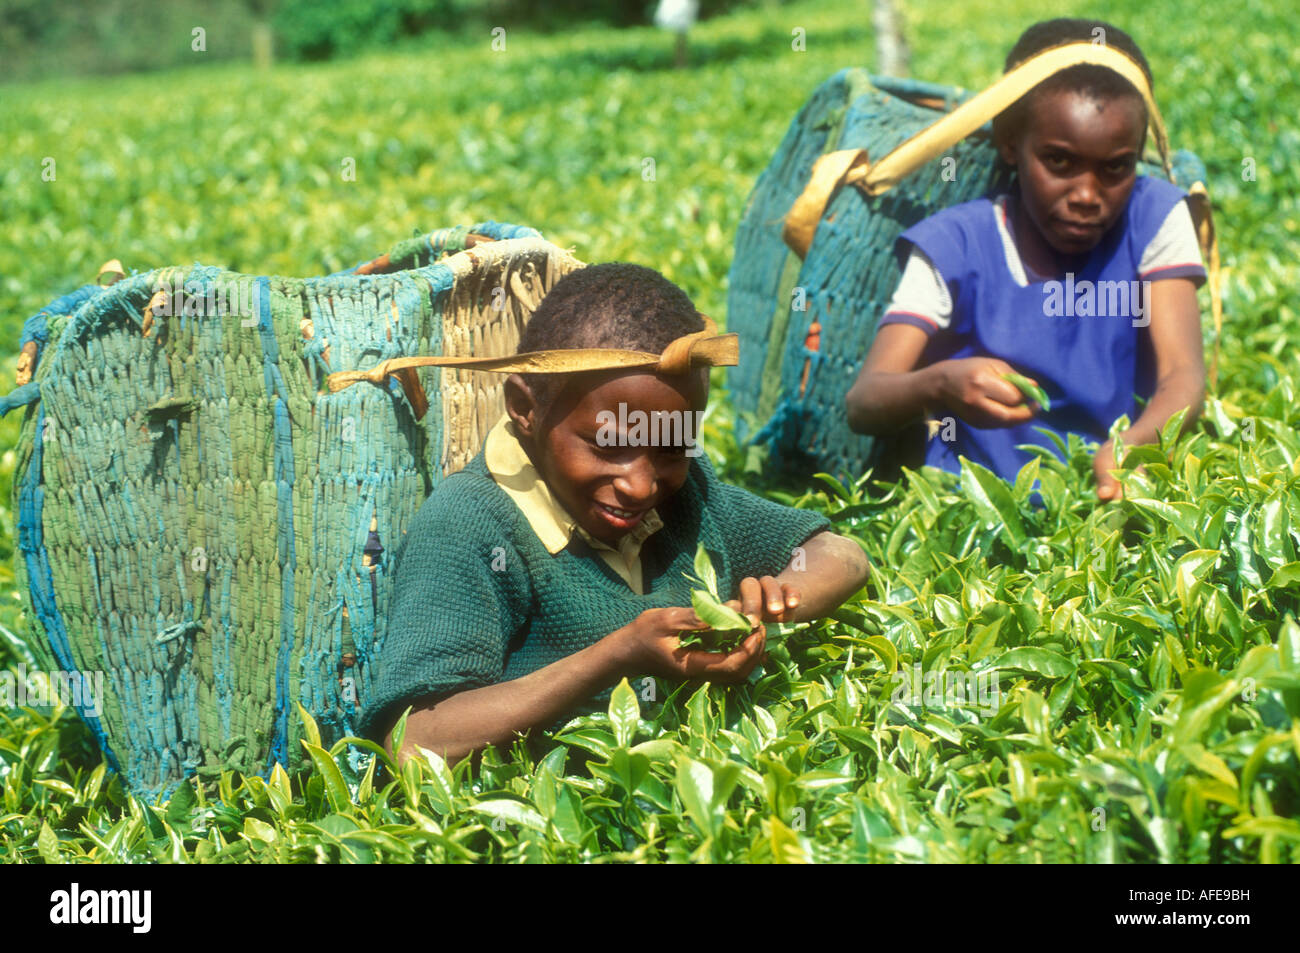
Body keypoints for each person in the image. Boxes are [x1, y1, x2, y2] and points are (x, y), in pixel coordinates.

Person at [358, 263, 870, 765]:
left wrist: (773, 607)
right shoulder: (471, 524)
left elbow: (840, 555)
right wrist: (618, 655)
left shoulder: (687, 491)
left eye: (671, 449)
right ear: (525, 408)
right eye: (609, 446)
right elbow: (414, 741)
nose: (640, 485)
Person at [844, 18, 1207, 498]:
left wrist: (1136, 446)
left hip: (1117, 493)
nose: (1086, 194)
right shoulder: (955, 245)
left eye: (1115, 168)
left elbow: (1184, 375)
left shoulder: (1156, 216)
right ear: (1010, 143)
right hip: (980, 515)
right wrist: (939, 384)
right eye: (1059, 161)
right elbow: (865, 400)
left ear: (1137, 155)